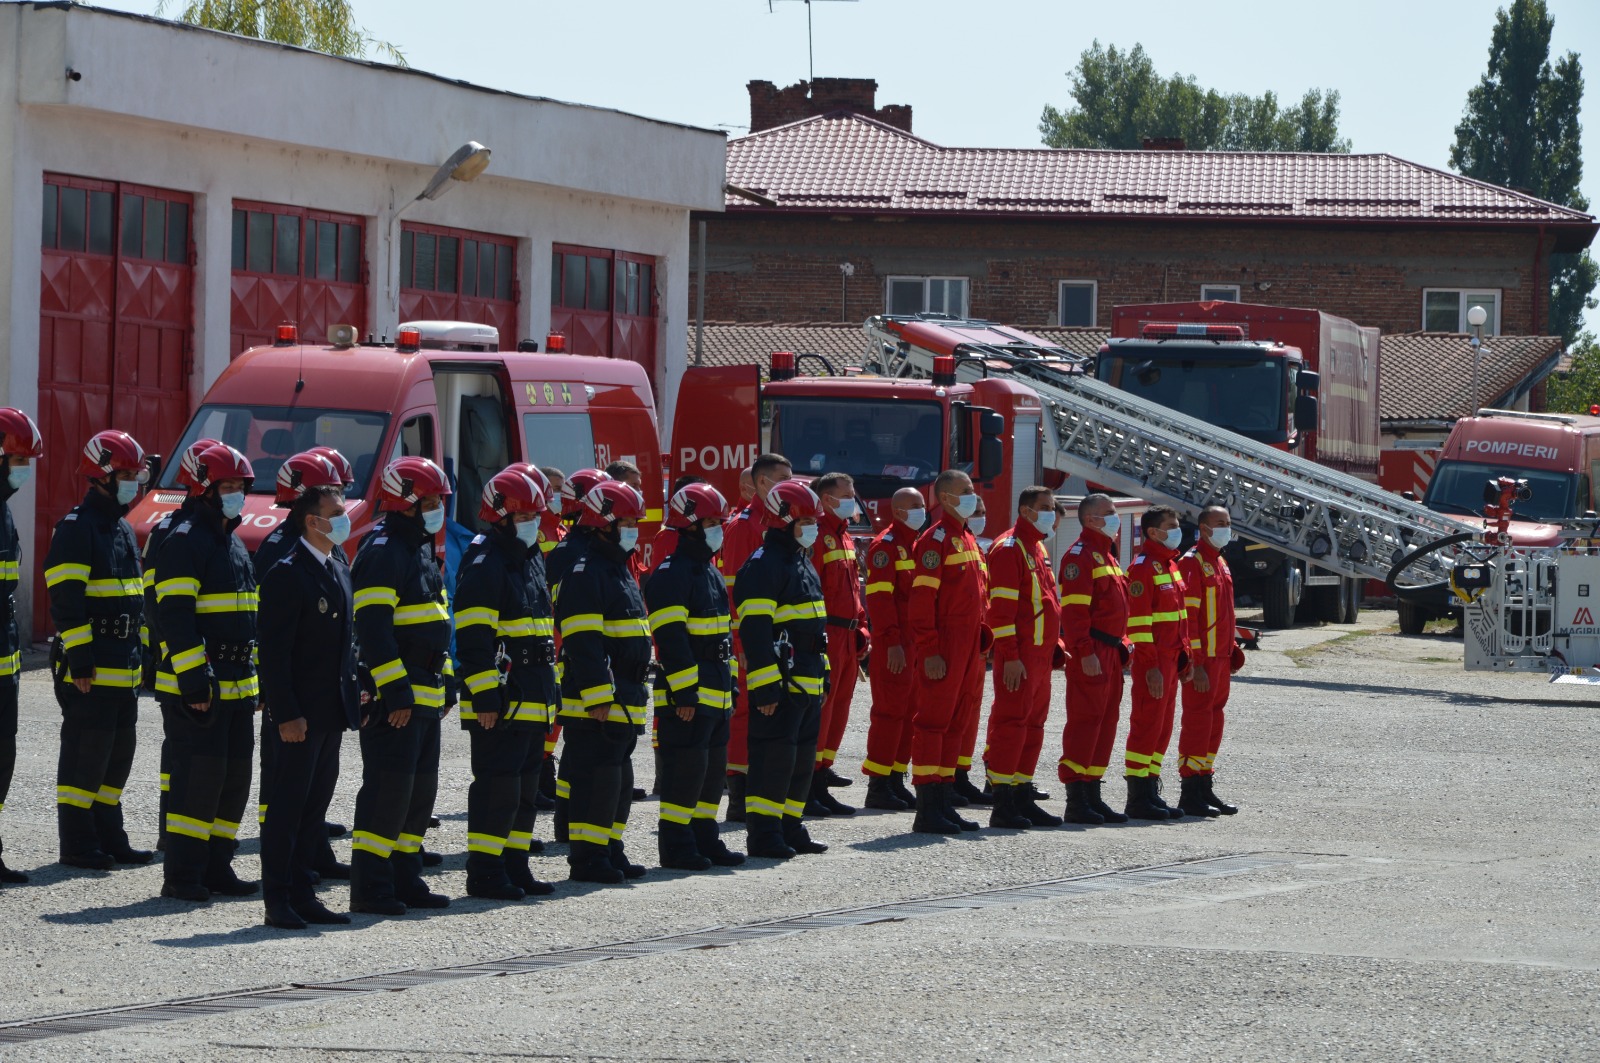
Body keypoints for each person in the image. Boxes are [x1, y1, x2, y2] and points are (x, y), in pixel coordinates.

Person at [153, 442, 261, 901]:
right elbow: (174, 619)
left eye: (240, 486)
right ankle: (183, 876)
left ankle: (217, 867)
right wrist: (194, 681)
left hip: (237, 685)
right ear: (203, 488)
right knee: (197, 783)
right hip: (198, 687)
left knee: (232, 780)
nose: (237, 494)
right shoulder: (183, 541)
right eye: (229, 486)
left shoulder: (231, 541)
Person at [348, 456, 454, 915]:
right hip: (400, 696)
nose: (436, 509)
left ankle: (405, 877)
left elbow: (438, 620)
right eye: (428, 501)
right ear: (405, 502)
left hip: (425, 691)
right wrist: (395, 691)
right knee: (387, 792)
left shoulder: (421, 549)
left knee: (418, 793)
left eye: (438, 501)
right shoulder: (383, 550)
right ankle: (371, 887)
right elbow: (372, 629)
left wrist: (446, 679)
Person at [257, 452, 359, 929]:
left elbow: (344, 643)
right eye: (336, 516)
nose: (344, 522)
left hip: (330, 711)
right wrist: (285, 712)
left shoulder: (338, 566)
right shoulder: (286, 571)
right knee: (287, 808)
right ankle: (278, 898)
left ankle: (304, 891)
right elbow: (274, 654)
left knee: (314, 808)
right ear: (311, 520)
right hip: (298, 715)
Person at [46, 430, 152, 871]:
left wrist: (143, 655)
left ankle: (111, 837)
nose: (133, 482)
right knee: (85, 756)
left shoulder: (123, 528)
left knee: (116, 756)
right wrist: (81, 660)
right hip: (91, 664)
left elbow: (135, 597)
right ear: (101, 476)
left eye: (135, 474)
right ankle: (77, 843)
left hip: (123, 662)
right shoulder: (77, 528)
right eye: (124, 474)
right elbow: (66, 601)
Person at [455, 467, 559, 900]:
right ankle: (485, 873)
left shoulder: (530, 555)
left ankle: (515, 866)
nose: (533, 522)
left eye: (536, 514)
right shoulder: (485, 562)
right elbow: (474, 638)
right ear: (499, 517)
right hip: (500, 699)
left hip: (533, 694)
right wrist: (485, 696)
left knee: (524, 789)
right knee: (497, 789)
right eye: (524, 516)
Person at [553, 479, 652, 883]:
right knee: (596, 779)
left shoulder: (616, 568)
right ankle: (588, 859)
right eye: (625, 522)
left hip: (624, 693)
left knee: (617, 777)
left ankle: (610, 849)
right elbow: (582, 640)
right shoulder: (586, 571)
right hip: (598, 697)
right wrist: (598, 695)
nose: (632, 529)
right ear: (602, 524)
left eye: (634, 522)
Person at [643, 482, 743, 870]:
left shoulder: (709, 571)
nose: (718, 528)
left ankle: (705, 838)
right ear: (688, 526)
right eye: (711, 522)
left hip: (715, 692)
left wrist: (731, 686)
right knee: (685, 774)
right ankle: (677, 847)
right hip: (688, 696)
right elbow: (671, 641)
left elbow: (722, 639)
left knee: (710, 771)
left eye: (720, 521)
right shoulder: (672, 573)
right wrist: (684, 694)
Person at [734, 479, 829, 860]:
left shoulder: (800, 561)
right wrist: (766, 687)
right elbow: (755, 634)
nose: (813, 526)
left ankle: (791, 825)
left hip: (806, 677)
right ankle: (764, 834)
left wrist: (823, 673)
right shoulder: (763, 565)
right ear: (783, 519)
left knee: (801, 759)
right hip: (782, 681)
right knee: (773, 760)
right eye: (805, 519)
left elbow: (811, 625)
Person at [142, 438, 218, 853]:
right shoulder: (172, 532)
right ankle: (171, 836)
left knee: (188, 760)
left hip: (191, 662)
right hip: (180, 663)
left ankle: (178, 837)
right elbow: (160, 608)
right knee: (180, 759)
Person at [906, 470, 987, 834]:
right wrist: (930, 649)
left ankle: (944, 800)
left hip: (969, 645)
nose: (973, 495)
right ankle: (927, 809)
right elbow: (922, 601)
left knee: (956, 723)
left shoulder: (966, 538)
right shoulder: (935, 539)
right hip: (946, 644)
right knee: (933, 723)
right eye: (966, 490)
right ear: (946, 497)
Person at [983, 487, 1066, 829]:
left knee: (1033, 727)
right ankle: (1003, 803)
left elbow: (1045, 603)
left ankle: (1021, 794)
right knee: (1011, 726)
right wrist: (1011, 657)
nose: (1051, 512)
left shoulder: (1037, 547)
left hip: (1040, 656)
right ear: (1026, 511)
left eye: (1052, 506)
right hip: (1019, 657)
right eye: (1045, 507)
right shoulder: (1008, 548)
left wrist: (1055, 645)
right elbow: (1000, 613)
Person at [719, 453, 792, 821]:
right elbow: (734, 591)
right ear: (762, 483)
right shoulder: (744, 525)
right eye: (782, 477)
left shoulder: (779, 521)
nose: (789, 482)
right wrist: (741, 644)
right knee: (745, 713)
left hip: (777, 639)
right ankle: (738, 795)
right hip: (752, 642)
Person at [1057, 494, 1132, 826]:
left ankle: (1093, 793)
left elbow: (1120, 610)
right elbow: (1074, 614)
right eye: (1108, 514)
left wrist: (1124, 646)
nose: (1115, 519)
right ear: (1089, 520)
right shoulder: (1081, 556)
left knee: (1106, 723)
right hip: (1093, 651)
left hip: (1110, 651)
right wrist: (1084, 653)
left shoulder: (1108, 556)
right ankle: (1077, 799)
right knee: (1086, 722)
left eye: (1114, 513)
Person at [544, 467, 610, 842]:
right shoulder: (570, 551)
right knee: (580, 747)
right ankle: (568, 824)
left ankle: (567, 823)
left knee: (577, 749)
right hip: (577, 661)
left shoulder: (585, 545)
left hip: (590, 661)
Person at [1123, 505, 1193, 821]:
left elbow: (1179, 618)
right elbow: (1138, 624)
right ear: (1153, 532)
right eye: (1171, 525)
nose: (1177, 530)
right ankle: (1137, 797)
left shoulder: (1170, 565)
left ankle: (1150, 790)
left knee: (1162, 727)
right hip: (1153, 661)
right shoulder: (1142, 567)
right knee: (1146, 725)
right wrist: (1150, 665)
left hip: (1169, 659)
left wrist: (1184, 655)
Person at [1176, 506, 1244, 817]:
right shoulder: (1192, 563)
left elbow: (1223, 613)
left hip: (1220, 658)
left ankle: (1205, 783)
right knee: (1197, 721)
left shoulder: (1220, 562)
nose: (1226, 529)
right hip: (1204, 662)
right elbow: (1190, 619)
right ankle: (1190, 791)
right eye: (1220, 524)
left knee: (1214, 721)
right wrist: (1198, 663)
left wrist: (1231, 648)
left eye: (1228, 523)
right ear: (1203, 528)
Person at [860, 487, 925, 810]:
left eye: (922, 505)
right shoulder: (885, 547)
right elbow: (880, 600)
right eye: (914, 506)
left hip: (913, 643)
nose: (921, 510)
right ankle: (878, 784)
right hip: (893, 643)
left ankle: (896, 778)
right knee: (889, 713)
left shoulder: (915, 545)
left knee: (909, 715)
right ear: (897, 510)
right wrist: (893, 642)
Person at [807, 472, 868, 816]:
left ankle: (823, 771)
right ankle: (811, 783)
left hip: (847, 635)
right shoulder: (817, 534)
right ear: (827, 498)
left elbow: (852, 591)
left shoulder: (843, 536)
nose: (854, 498)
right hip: (827, 633)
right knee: (823, 708)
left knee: (840, 708)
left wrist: (861, 629)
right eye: (848, 493)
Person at [0, 410, 41, 883]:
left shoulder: (3, 511)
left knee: (3, 756)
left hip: (6, 663)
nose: (23, 469)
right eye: (16, 459)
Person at [950, 494, 994, 808]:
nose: (979, 516)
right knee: (950, 715)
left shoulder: (975, 547)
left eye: (982, 511)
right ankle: (945, 778)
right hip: (956, 643)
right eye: (974, 511)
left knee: (969, 713)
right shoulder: (946, 542)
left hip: (977, 644)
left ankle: (961, 775)